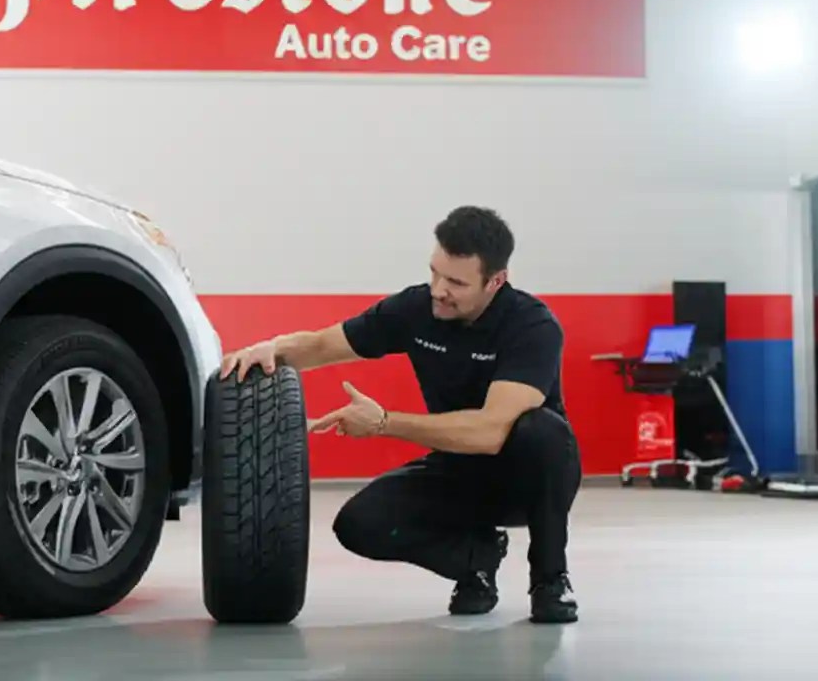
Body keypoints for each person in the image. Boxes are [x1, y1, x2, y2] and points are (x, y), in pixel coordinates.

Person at [219, 206, 582, 624]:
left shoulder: (531, 326)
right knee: (359, 524)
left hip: (530, 480)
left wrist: (385, 423)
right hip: (461, 469)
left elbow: (490, 431)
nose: (439, 290)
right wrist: (272, 349)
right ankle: (474, 560)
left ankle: (550, 579)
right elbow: (323, 345)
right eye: (436, 273)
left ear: (495, 282)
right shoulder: (415, 310)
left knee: (541, 431)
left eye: (457, 283)